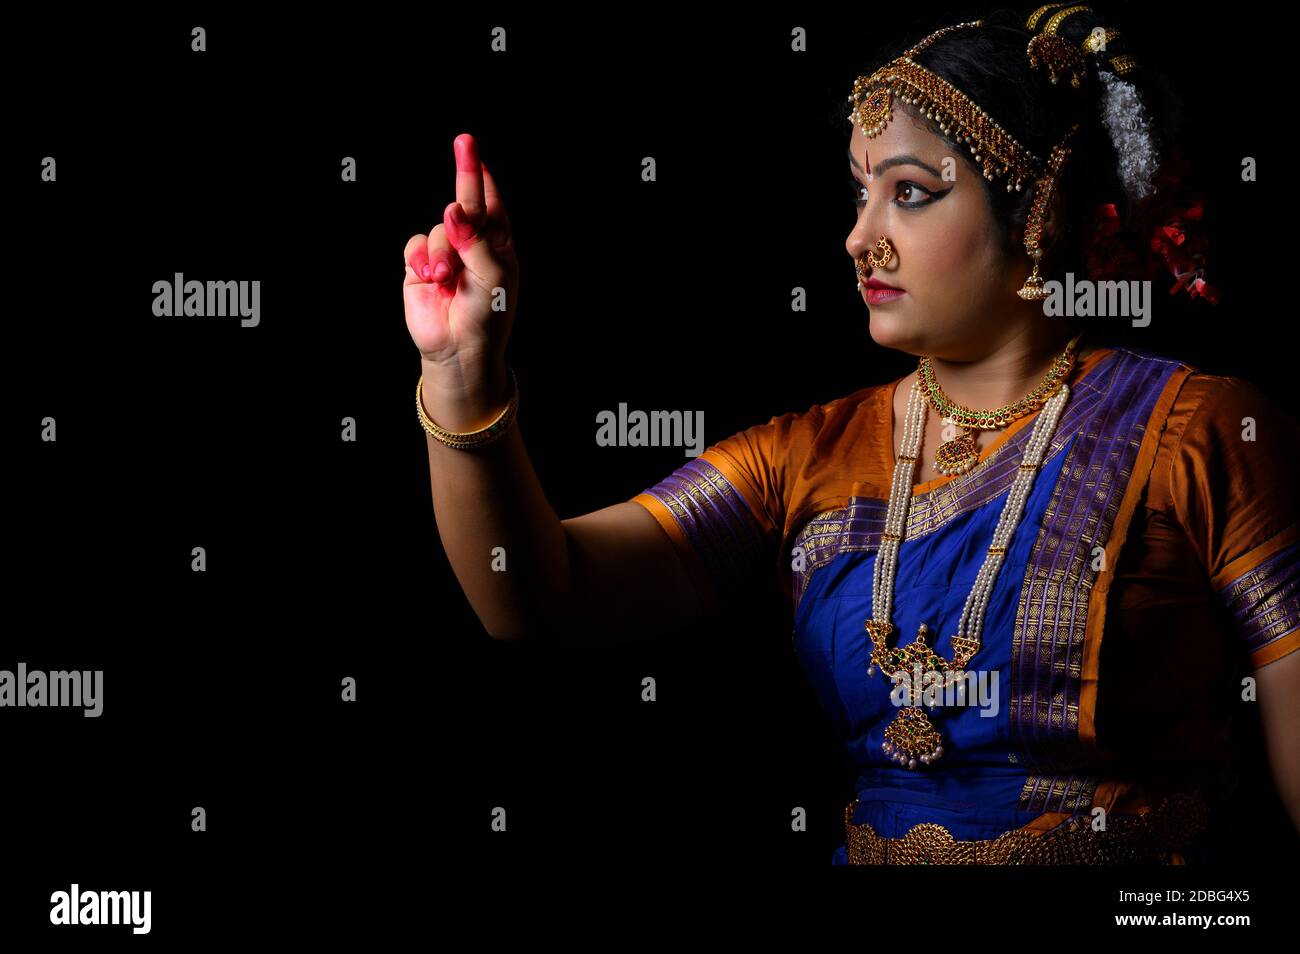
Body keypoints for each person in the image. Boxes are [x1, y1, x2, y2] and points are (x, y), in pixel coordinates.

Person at [402, 8, 1299, 864]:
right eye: (860, 192)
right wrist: (461, 372)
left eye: (909, 193)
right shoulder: (808, 454)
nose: (859, 237)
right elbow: (534, 598)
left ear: (1042, 210)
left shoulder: (1196, 431)